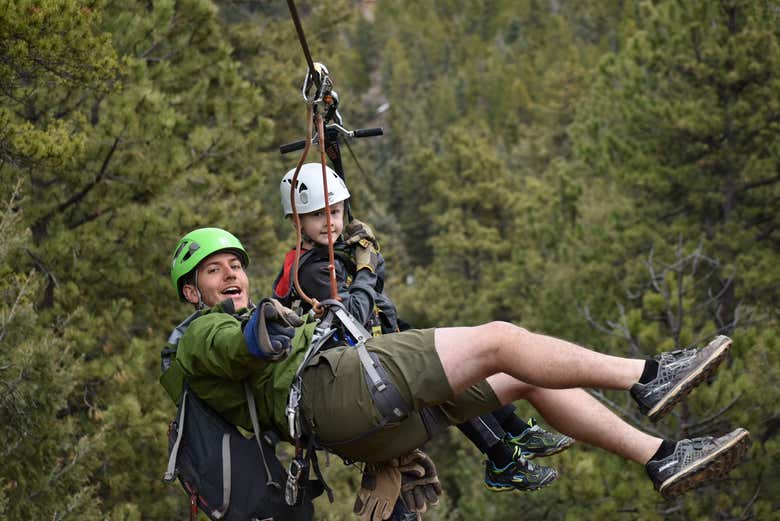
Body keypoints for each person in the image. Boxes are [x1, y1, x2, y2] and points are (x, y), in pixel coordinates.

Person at [167, 227, 750, 519]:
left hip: (351, 424)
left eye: (236, 265)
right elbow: (235, 346)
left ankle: (661, 457)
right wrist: (264, 327)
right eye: (214, 271)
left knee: (523, 375)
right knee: (499, 339)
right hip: (335, 389)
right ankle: (650, 375)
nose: (232, 274)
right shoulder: (201, 333)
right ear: (192, 292)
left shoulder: (249, 321)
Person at [272, 163, 573, 494]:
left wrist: (366, 255)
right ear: (297, 222)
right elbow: (352, 314)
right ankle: (503, 457)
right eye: (317, 215)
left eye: (335, 211)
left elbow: (373, 293)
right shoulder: (312, 270)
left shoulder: (334, 255)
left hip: (373, 349)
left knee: (459, 359)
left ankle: (513, 429)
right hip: (351, 372)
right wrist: (365, 268)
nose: (329, 221)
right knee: (442, 379)